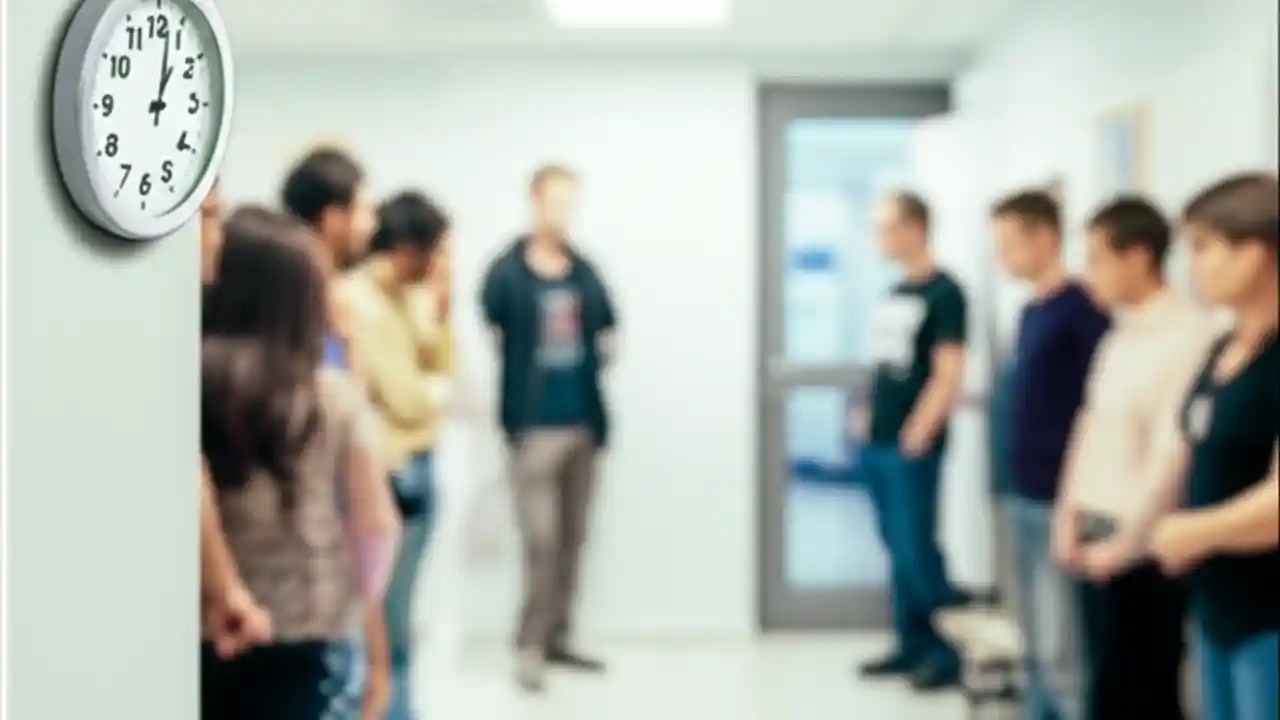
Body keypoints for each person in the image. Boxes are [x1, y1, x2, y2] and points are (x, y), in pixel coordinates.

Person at [201, 207, 401, 720]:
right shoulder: (328, 396)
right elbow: (374, 525)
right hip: (306, 626)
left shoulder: (188, 383)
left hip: (203, 627)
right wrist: (370, 626)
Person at [1055, 198, 1211, 720]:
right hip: (1094, 526)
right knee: (1103, 685)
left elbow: (1172, 455)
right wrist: (1066, 514)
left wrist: (1128, 544)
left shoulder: (1191, 336)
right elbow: (1090, 426)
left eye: (1097, 258)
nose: (1088, 273)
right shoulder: (1119, 336)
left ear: (1138, 257)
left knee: (1143, 688)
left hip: (1144, 542)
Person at [480, 165, 618, 694]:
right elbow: (494, 328)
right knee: (541, 542)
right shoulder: (507, 274)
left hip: (583, 423)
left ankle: (560, 637)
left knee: (573, 540)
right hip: (533, 429)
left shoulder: (584, 272)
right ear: (534, 201)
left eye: (570, 201)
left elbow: (608, 329)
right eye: (554, 200)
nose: (562, 212)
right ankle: (529, 647)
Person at [1149, 173, 1279, 720]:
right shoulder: (1224, 347)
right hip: (1215, 605)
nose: (1193, 267)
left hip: (1268, 616)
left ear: (1257, 250)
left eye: (1204, 248)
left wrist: (1192, 532)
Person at [280, 147, 392, 718]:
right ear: (332, 218)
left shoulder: (330, 304)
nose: (372, 225)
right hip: (317, 554)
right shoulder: (302, 305)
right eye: (364, 210)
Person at [992, 192, 1110, 720]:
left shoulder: (1082, 310)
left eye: (1009, 244)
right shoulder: (1031, 311)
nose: (1002, 256)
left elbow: (1098, 407)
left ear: (1044, 237)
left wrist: (1076, 494)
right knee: (1034, 634)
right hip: (1023, 488)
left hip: (1061, 495)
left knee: (1064, 640)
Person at [344, 192, 452, 719]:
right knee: (388, 633)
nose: (440, 264)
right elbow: (413, 398)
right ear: (410, 249)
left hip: (413, 463)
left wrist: (441, 311)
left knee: (397, 626)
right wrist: (435, 392)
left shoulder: (403, 297)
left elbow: (439, 364)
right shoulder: (362, 301)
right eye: (437, 252)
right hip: (393, 474)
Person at [857, 191, 966, 691]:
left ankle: (946, 651)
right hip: (879, 438)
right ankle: (910, 645)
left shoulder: (946, 294)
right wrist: (865, 409)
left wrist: (921, 428)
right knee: (897, 549)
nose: (879, 238)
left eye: (887, 227)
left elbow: (948, 370)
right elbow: (882, 363)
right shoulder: (894, 291)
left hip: (913, 444)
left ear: (915, 228)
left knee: (918, 550)